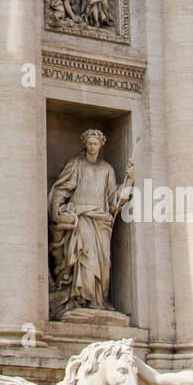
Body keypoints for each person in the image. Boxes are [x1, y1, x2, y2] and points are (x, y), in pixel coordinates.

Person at [49, 129, 133, 314]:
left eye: (96, 144)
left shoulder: (107, 169)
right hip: (82, 218)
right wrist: (56, 210)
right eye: (90, 143)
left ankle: (98, 299)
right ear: (85, 144)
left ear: (101, 145)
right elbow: (62, 188)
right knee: (87, 259)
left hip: (102, 221)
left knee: (103, 264)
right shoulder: (76, 165)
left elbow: (115, 199)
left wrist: (129, 179)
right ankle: (81, 298)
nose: (92, 147)